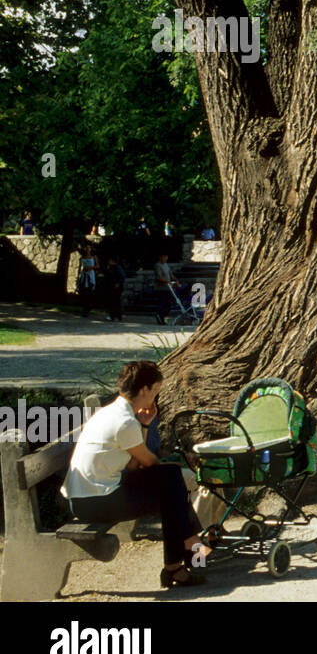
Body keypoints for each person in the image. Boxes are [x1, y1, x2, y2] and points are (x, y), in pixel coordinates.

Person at [61, 361, 209, 588]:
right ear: (145, 390)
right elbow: (149, 462)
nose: (155, 396)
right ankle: (189, 550)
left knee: (170, 484)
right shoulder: (124, 421)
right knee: (171, 484)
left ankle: (185, 556)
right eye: (156, 391)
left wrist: (146, 424)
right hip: (94, 501)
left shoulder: (112, 412)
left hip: (89, 496)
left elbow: (132, 464)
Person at [153, 252, 176, 324]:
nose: (165, 258)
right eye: (164, 257)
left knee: (168, 304)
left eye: (166, 257)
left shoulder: (166, 265)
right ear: (160, 257)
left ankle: (163, 316)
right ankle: (160, 317)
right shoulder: (158, 266)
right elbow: (159, 277)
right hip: (161, 288)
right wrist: (168, 281)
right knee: (162, 303)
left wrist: (176, 280)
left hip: (168, 288)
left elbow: (171, 275)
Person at [76, 245, 98, 318]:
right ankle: (85, 308)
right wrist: (78, 277)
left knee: (89, 292)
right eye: (86, 248)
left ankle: (88, 308)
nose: (87, 249)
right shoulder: (82, 257)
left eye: (89, 248)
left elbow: (98, 266)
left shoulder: (94, 257)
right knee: (83, 292)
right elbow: (79, 268)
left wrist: (91, 267)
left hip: (90, 275)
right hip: (84, 275)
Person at [104, 255, 127, 321]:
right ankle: (114, 315)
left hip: (116, 287)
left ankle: (115, 316)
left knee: (115, 302)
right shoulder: (111, 268)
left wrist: (118, 283)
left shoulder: (117, 267)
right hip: (111, 286)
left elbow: (122, 276)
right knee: (113, 302)